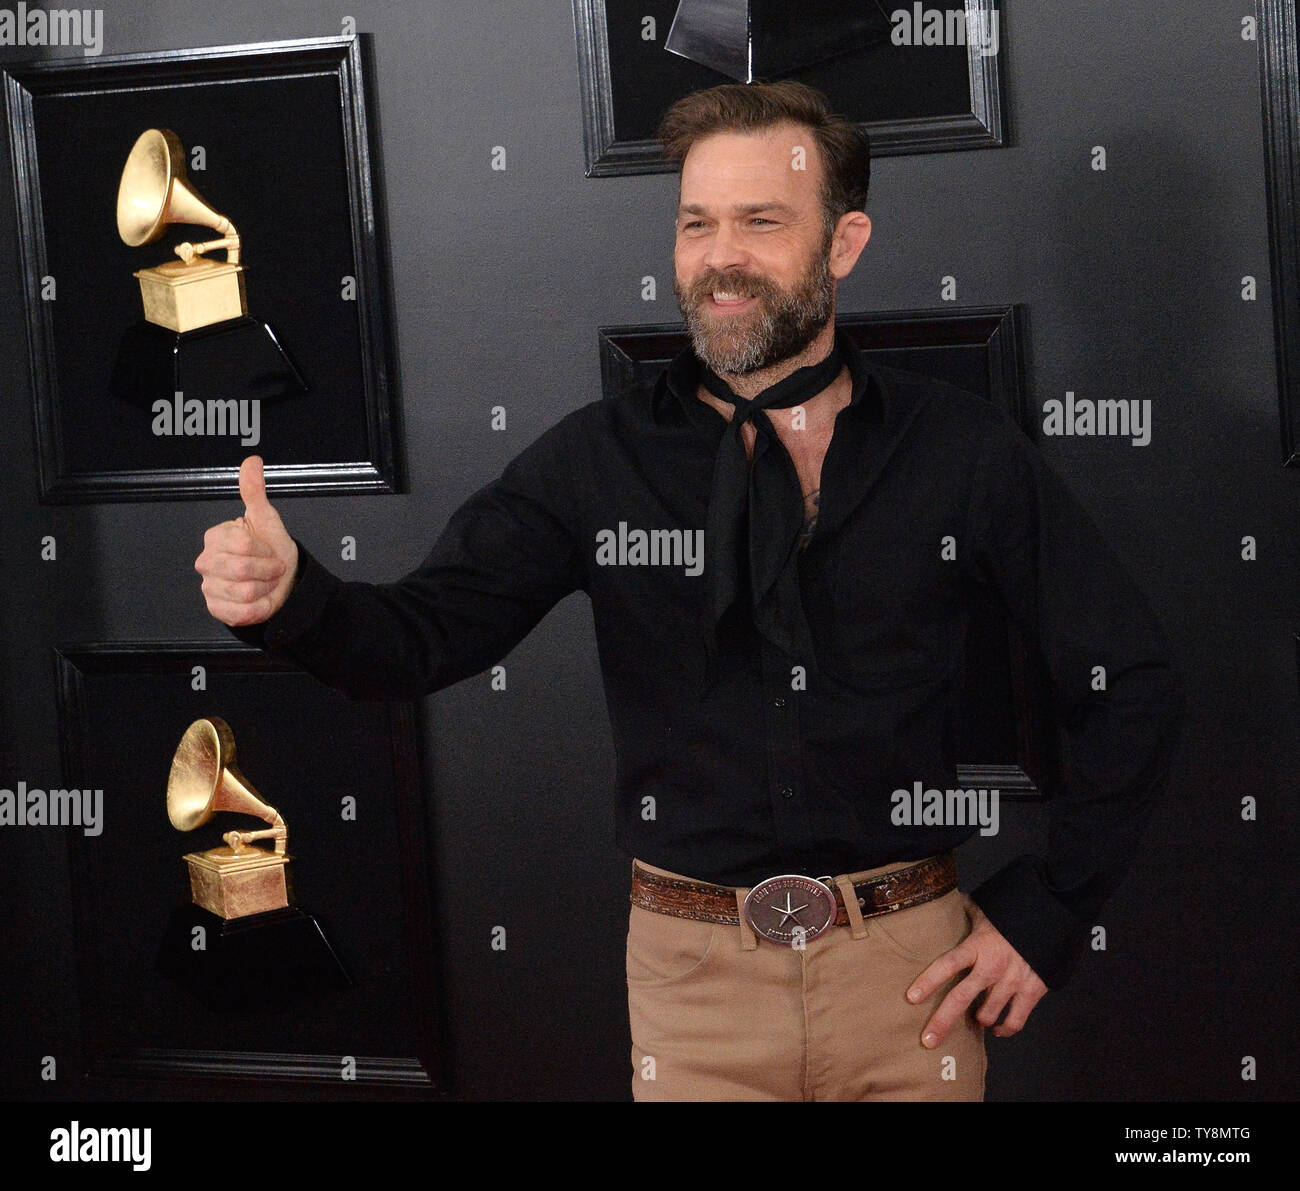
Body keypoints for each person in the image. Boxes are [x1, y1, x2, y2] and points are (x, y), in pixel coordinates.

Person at [195, 80, 1184, 1101]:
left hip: (910, 981)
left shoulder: (959, 451)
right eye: (697, 223)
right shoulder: (593, 462)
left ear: (842, 245)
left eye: (761, 222)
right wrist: (291, 595)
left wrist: (1049, 909)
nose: (721, 257)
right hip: (691, 991)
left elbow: (1132, 679)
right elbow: (414, 640)